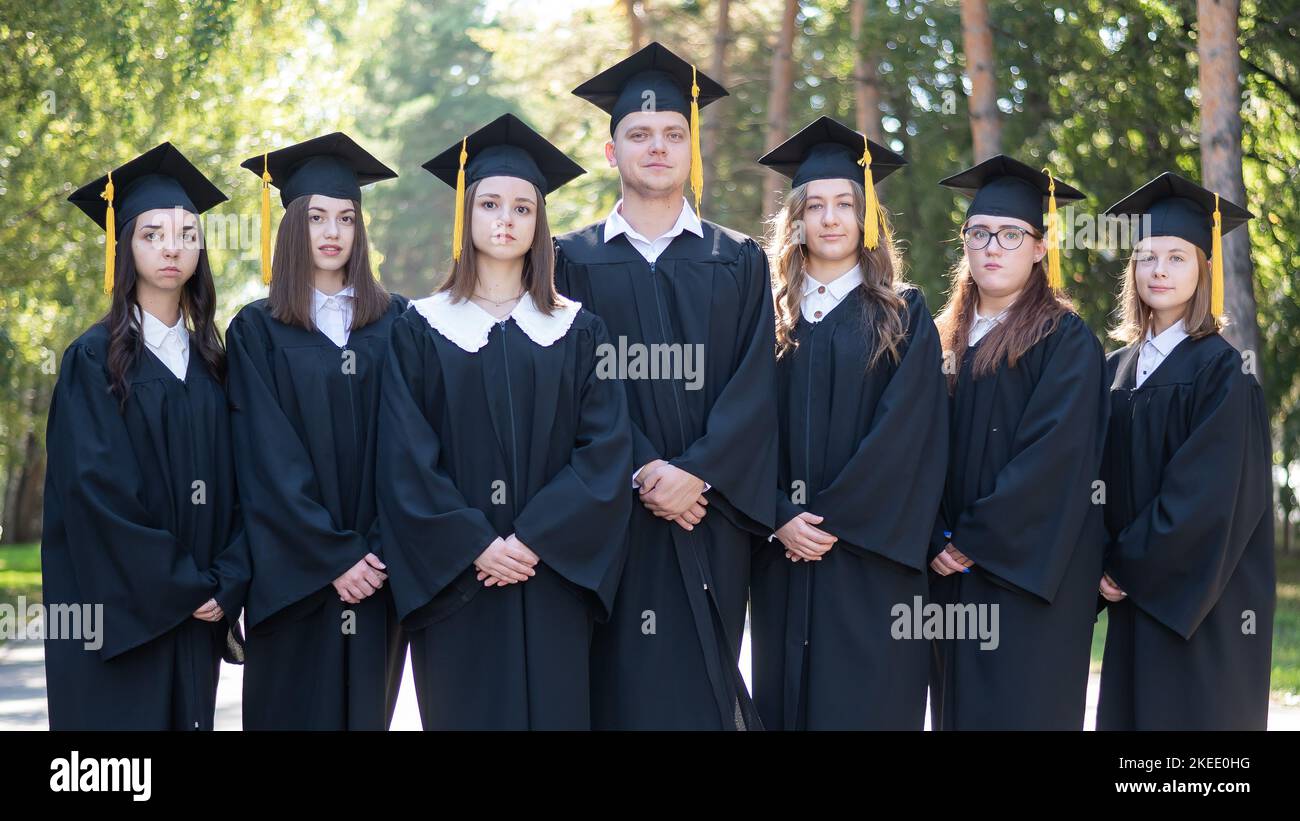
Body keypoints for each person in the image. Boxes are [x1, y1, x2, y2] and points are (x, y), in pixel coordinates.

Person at [378, 113, 633, 729]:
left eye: (523, 208)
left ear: (539, 223)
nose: (506, 219)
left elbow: (604, 451)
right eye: (490, 203)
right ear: (466, 217)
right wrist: (476, 546)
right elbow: (406, 458)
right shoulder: (419, 327)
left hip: (551, 576)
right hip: (458, 584)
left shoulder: (578, 328)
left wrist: (533, 540)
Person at [556, 41, 778, 729]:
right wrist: (646, 468)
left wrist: (698, 474)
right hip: (612, 515)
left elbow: (755, 383)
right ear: (610, 148)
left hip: (711, 516)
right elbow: (570, 389)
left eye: (673, 134)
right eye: (640, 134)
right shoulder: (569, 260)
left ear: (692, 147)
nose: (658, 147)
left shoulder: (737, 258)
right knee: (616, 689)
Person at [750, 116, 948, 730]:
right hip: (780, 550)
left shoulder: (903, 312)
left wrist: (828, 521)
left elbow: (908, 435)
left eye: (845, 204)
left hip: (870, 558)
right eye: (815, 205)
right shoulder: (765, 313)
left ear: (867, 218)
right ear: (797, 219)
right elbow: (742, 423)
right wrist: (777, 514)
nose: (831, 218)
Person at [45, 142, 249, 729]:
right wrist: (182, 586)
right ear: (125, 246)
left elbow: (244, 481)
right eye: (152, 233)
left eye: (188, 233)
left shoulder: (213, 360)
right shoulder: (93, 359)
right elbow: (96, 493)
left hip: (201, 609)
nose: (172, 246)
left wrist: (228, 580)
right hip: (124, 616)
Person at [227, 133, 408, 729]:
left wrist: (376, 552)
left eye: (346, 218)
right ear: (290, 229)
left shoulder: (397, 322)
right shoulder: (256, 330)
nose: (332, 232)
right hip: (294, 579)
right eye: (315, 217)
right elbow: (264, 457)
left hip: (379, 577)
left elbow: (410, 449)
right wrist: (334, 555)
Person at [929, 155, 1108, 730]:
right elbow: (912, 446)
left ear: (1038, 247)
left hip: (1028, 575)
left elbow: (1054, 459)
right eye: (978, 233)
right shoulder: (940, 338)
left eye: (1011, 234)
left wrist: (973, 539)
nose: (992, 247)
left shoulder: (1064, 339)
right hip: (948, 569)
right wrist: (933, 534)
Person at [1096, 172, 1274, 730]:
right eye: (1146, 257)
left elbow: (1206, 496)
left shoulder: (1223, 373)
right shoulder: (1114, 370)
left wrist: (1125, 564)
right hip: (1131, 592)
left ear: (1204, 270)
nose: (1159, 271)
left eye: (1177, 257)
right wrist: (1098, 562)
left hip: (1201, 601)